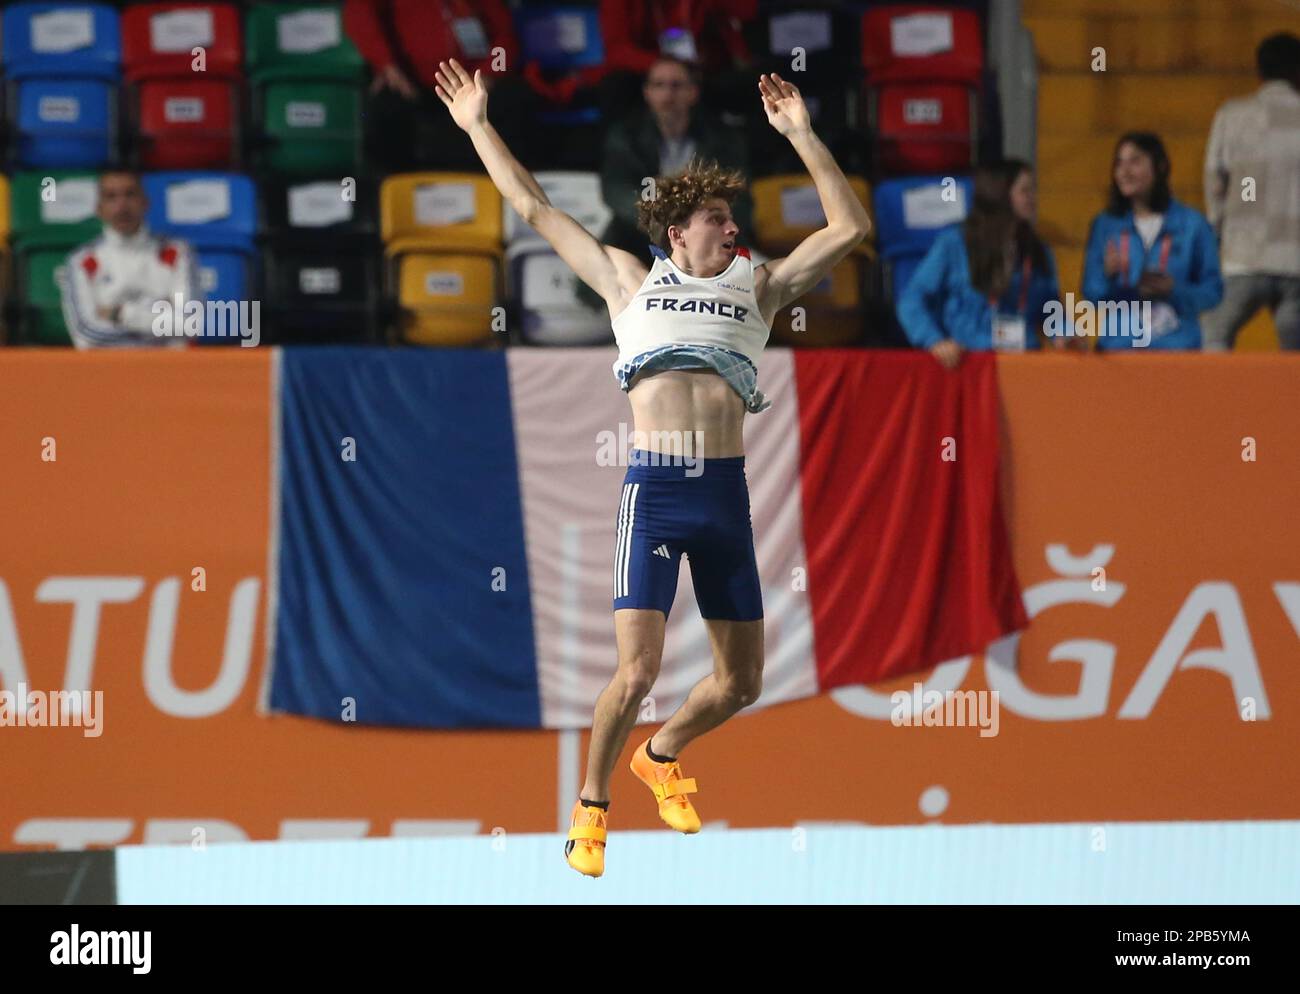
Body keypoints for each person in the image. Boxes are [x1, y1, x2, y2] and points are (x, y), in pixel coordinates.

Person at [433, 59, 869, 877]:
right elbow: (532, 207)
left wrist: (804, 136)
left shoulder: (762, 287)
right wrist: (477, 126)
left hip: (726, 494)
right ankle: (591, 811)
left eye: (732, 220)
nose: (730, 230)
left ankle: (662, 755)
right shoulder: (629, 283)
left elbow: (848, 230)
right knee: (637, 671)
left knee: (740, 685)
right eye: (714, 219)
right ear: (676, 234)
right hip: (658, 491)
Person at [897, 160, 1061, 366]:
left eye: (1033, 190)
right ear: (1000, 193)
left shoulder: (1038, 250)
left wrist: (1064, 334)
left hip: (1023, 367)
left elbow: (1051, 307)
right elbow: (911, 299)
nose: (1033, 198)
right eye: (1025, 191)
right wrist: (934, 340)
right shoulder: (955, 243)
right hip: (968, 365)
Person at [601, 56, 753, 263]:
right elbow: (616, 190)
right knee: (611, 259)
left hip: (708, 234)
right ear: (647, 92)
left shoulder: (724, 138)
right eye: (659, 85)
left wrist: (699, 223)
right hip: (641, 233)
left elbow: (740, 197)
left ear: (693, 92)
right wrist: (659, 218)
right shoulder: (626, 135)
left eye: (676, 85)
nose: (667, 94)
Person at [1202, 32, 1300, 351]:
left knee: (1214, 335)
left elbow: (1215, 182)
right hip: (1296, 262)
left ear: (1259, 71)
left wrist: (1219, 230)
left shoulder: (1232, 115)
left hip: (1244, 255)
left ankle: (1213, 400)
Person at [1080, 132, 1222, 350]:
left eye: (1135, 161)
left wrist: (1175, 289)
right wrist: (1107, 276)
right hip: (1119, 351)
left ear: (1160, 166)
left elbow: (1213, 292)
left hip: (1176, 350)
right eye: (1119, 163)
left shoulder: (1193, 224)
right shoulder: (1106, 225)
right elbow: (1091, 294)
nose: (1124, 171)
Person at [59, 171, 196, 349]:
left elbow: (189, 324)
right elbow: (87, 334)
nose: (122, 206)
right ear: (99, 209)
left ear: (145, 203)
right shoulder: (82, 261)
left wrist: (119, 314)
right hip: (106, 370)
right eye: (111, 197)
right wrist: (159, 320)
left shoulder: (177, 253)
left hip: (167, 368)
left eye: (130, 194)